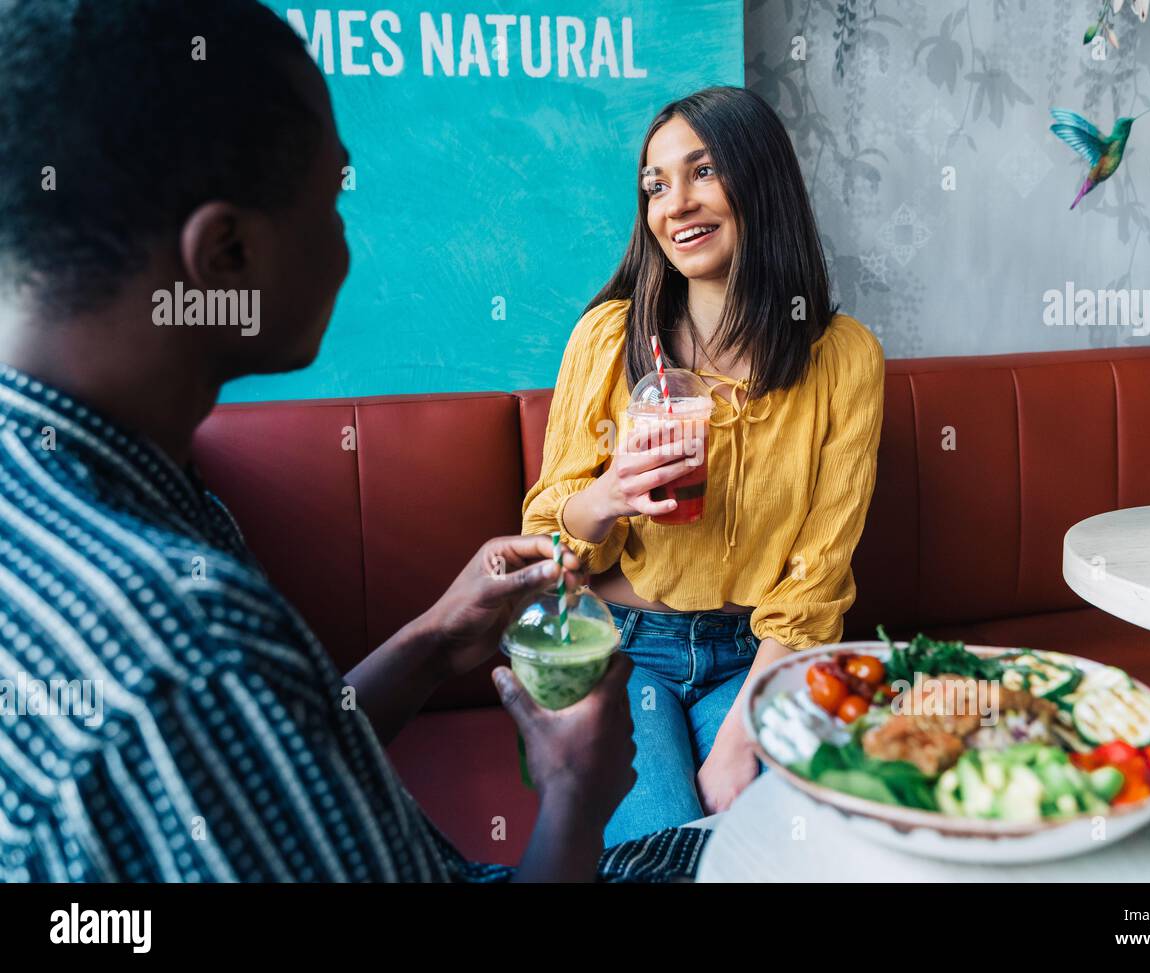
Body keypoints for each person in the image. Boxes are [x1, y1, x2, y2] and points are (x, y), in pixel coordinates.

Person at [0, 0, 707, 883]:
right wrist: (575, 789)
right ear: (225, 255)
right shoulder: (188, 646)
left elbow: (264, 762)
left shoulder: (87, 487)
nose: (347, 245)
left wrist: (434, 641)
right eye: (333, 199)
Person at [522, 86, 886, 845]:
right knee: (665, 851)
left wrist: (743, 733)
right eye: (656, 185)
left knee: (766, 848)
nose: (675, 204)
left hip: (757, 654)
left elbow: (817, 578)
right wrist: (610, 494)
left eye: (703, 172)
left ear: (760, 180)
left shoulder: (842, 357)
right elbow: (550, 541)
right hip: (621, 646)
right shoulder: (609, 338)